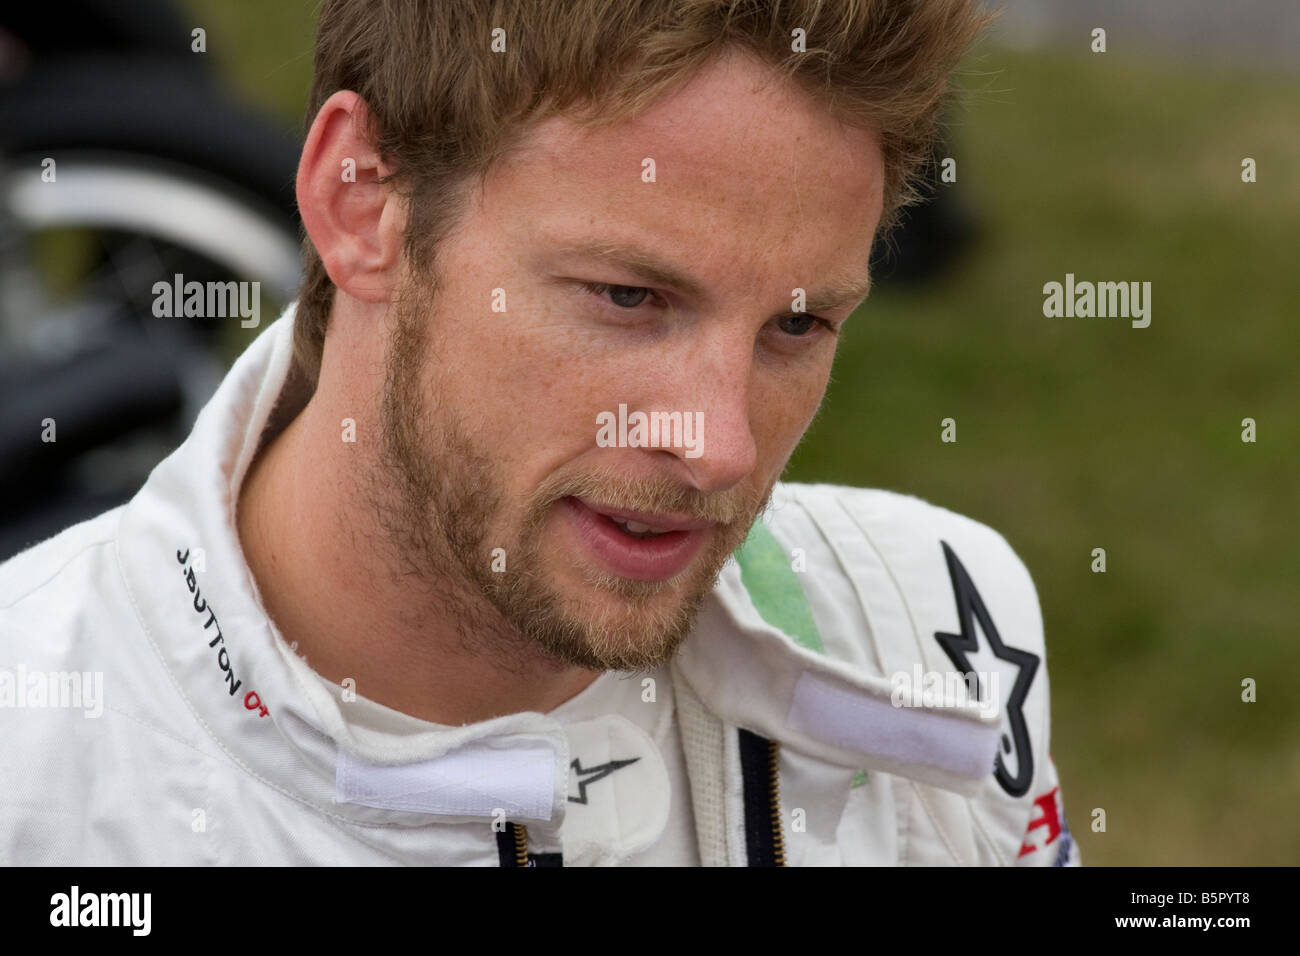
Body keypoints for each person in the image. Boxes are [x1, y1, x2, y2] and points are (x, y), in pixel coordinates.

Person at [0, 0, 1079, 866]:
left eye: (796, 323)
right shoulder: (35, 761)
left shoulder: (937, 617)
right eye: (626, 297)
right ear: (359, 201)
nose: (718, 446)